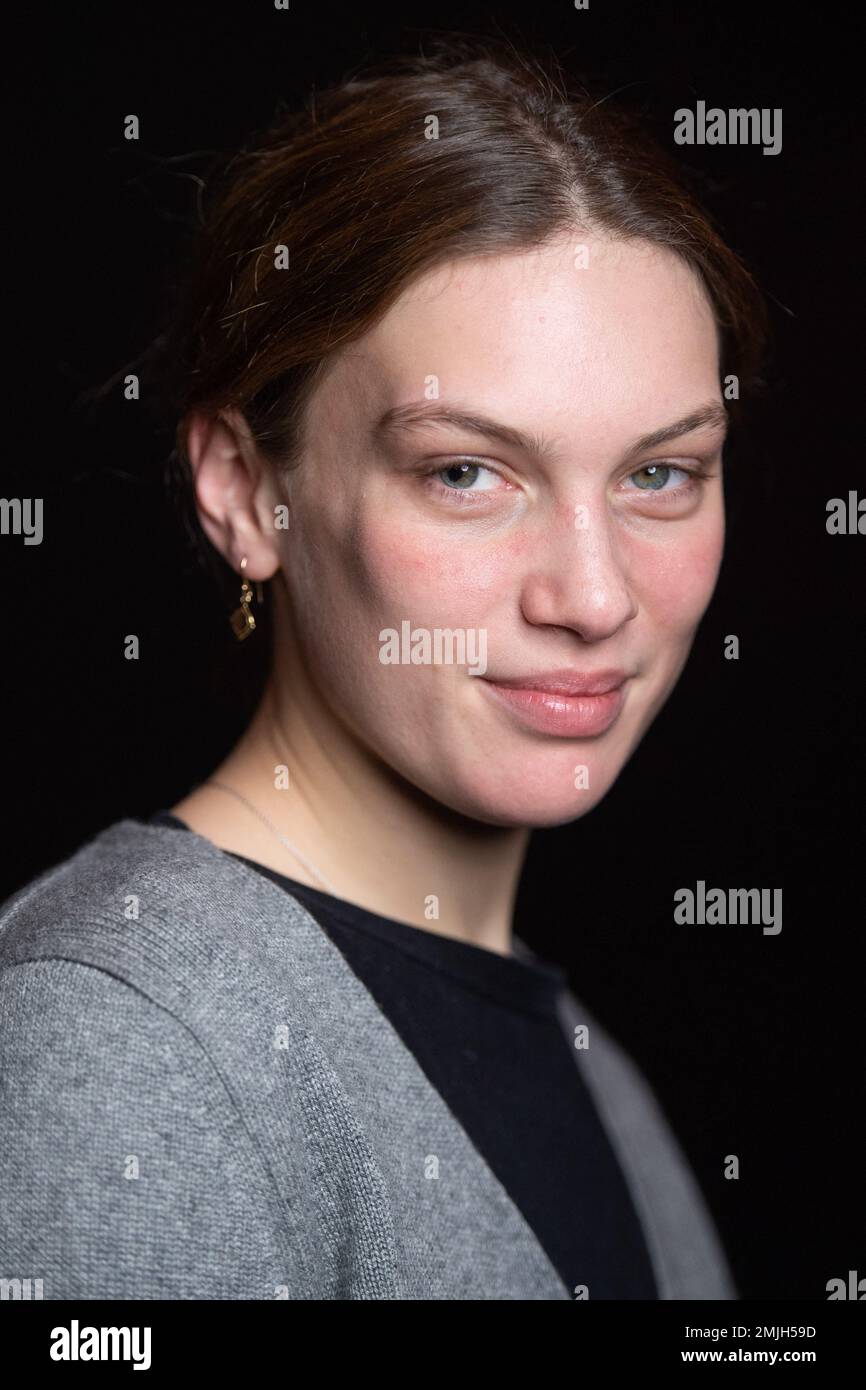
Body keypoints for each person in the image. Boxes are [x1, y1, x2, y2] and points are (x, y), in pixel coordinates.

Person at [0, 36, 766, 1300]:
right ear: (246, 492)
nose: (590, 595)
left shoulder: (598, 1079)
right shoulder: (115, 1043)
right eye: (465, 472)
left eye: (657, 473)